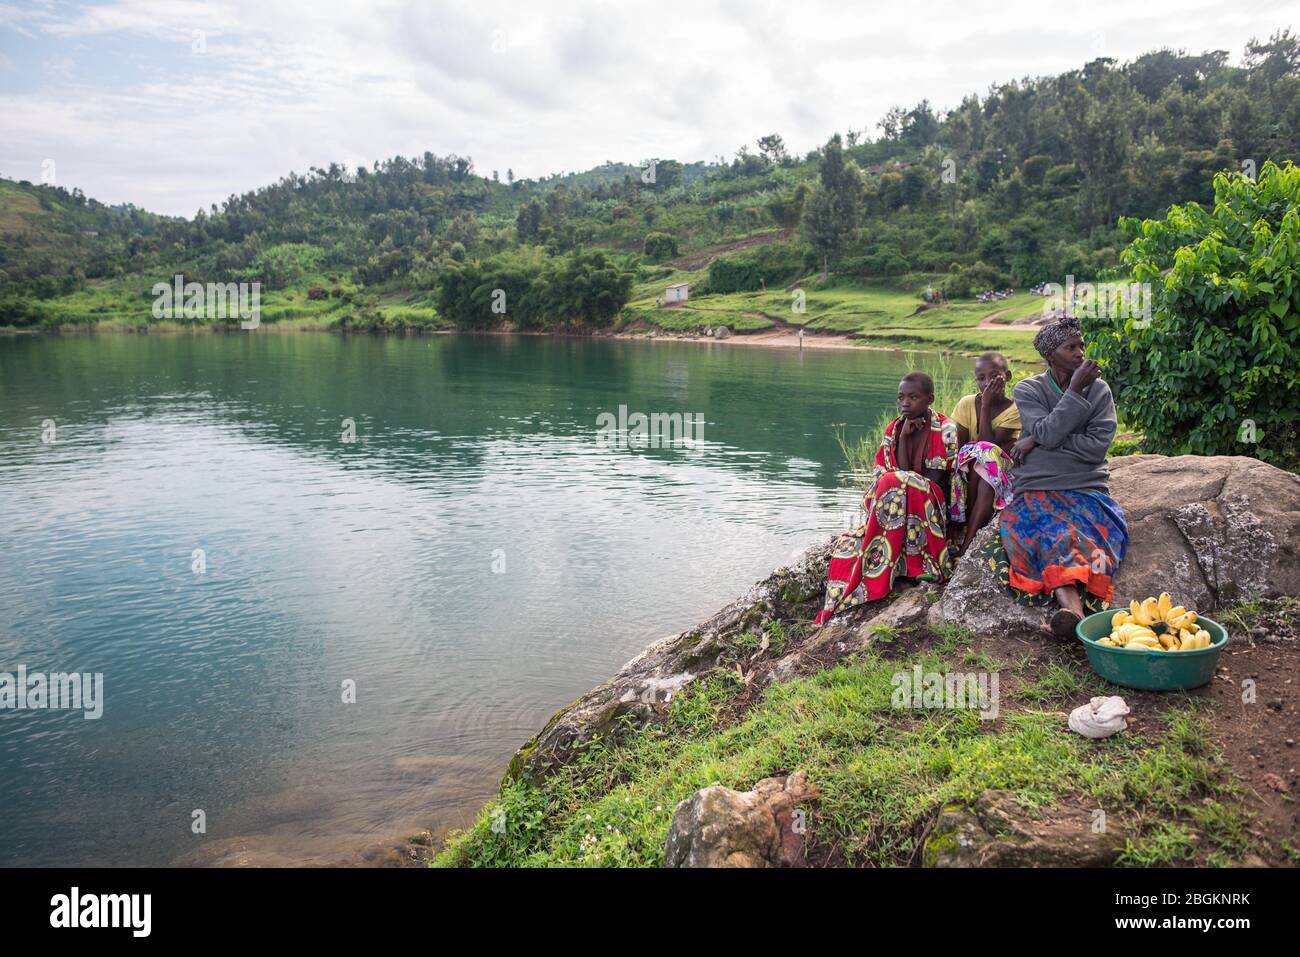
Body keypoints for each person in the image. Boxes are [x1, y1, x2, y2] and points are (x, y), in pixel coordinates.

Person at [985, 316, 1128, 637]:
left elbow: (1095, 448)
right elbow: (1049, 432)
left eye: (1082, 346)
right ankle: (1072, 610)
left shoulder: (1100, 390)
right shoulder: (1029, 389)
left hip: (1085, 486)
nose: (1080, 353)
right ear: (1050, 356)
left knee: (1073, 533)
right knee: (1046, 529)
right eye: (1071, 347)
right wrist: (1069, 399)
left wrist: (1039, 440)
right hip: (1036, 487)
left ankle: (1071, 611)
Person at [813, 372, 958, 625]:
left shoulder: (945, 428)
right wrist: (903, 438)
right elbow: (891, 474)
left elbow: (935, 479)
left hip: (931, 503)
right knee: (892, 483)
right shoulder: (895, 428)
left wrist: (902, 480)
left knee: (897, 482)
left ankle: (917, 562)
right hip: (900, 498)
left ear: (930, 399)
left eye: (914, 397)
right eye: (901, 398)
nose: (905, 403)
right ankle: (892, 557)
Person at [948, 351, 1020, 557]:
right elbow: (962, 448)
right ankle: (966, 534)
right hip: (967, 471)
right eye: (981, 378)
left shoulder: (1015, 408)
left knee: (985, 458)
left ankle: (967, 543)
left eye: (994, 376)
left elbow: (987, 446)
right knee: (978, 457)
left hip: (997, 475)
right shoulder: (966, 403)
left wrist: (986, 405)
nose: (987, 382)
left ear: (1007, 376)